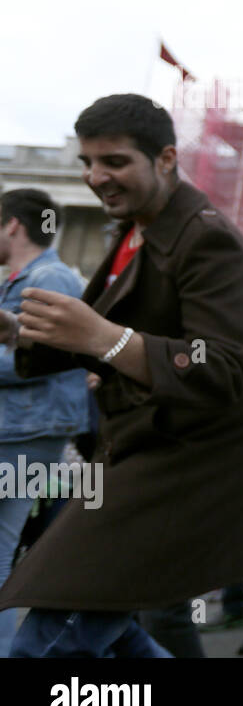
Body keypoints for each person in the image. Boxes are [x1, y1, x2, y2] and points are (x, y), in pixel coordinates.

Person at [0, 94, 243, 657]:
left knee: (55, 630)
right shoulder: (136, 228)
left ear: (166, 159)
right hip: (137, 450)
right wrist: (14, 332)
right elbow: (94, 335)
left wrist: (106, 338)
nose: (96, 177)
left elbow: (221, 365)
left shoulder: (208, 238)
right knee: (107, 624)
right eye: (88, 163)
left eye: (115, 162)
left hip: (186, 460)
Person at [0, 189, 89, 657]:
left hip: (24, 432)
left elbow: (41, 359)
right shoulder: (38, 275)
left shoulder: (50, 277)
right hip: (23, 430)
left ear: (13, 225)